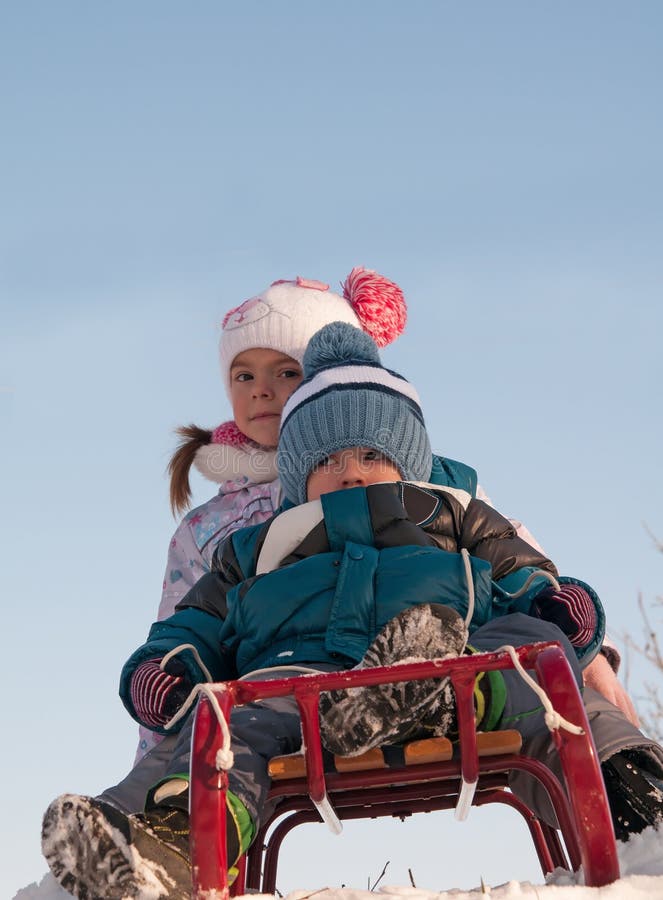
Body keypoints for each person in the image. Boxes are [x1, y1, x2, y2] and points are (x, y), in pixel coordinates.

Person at [43, 322, 662, 900]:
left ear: (409, 461)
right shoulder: (255, 548)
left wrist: (556, 602)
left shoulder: (451, 514)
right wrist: (168, 665)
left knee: (535, 666)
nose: (350, 475)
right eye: (327, 463)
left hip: (459, 668)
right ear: (297, 476)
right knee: (219, 730)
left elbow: (519, 570)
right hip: (297, 685)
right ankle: (158, 844)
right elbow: (196, 620)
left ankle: (638, 797)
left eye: (371, 456)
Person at [96, 267, 410, 816]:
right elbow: (184, 628)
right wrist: (164, 718)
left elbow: (499, 551)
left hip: (395, 675)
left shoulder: (390, 475)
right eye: (243, 375)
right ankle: (143, 828)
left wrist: (588, 652)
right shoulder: (209, 528)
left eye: (286, 370)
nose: (261, 389)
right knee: (195, 732)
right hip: (259, 698)